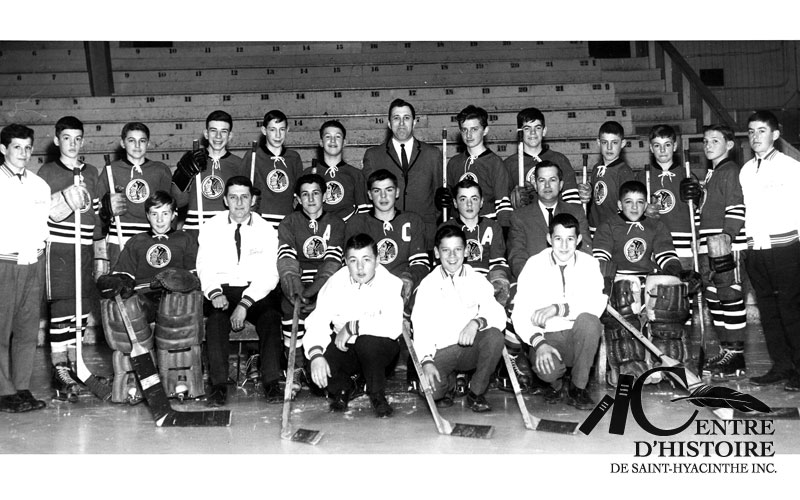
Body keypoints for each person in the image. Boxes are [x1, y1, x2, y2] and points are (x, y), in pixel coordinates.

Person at [97, 191, 202, 403]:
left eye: (165, 213)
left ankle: (178, 376)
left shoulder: (185, 239)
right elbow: (123, 274)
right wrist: (116, 282)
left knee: (175, 306)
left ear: (174, 214)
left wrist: (181, 280)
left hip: (173, 298)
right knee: (129, 308)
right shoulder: (137, 241)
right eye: (155, 214)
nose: (160, 219)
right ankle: (137, 379)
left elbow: (194, 276)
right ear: (147, 215)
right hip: (144, 299)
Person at [592, 180, 697, 384]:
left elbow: (666, 256)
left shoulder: (656, 226)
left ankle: (665, 362)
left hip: (647, 284)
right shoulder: (608, 226)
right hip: (620, 284)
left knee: (670, 295)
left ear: (646, 204)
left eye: (640, 202)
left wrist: (679, 273)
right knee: (624, 294)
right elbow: (602, 259)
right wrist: (604, 284)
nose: (634, 207)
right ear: (619, 204)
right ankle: (629, 364)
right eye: (628, 202)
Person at [196, 176, 280, 406]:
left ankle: (272, 382)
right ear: (225, 200)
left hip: (256, 290)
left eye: (244, 197)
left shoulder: (266, 230)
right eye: (233, 197)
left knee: (271, 317)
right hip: (222, 289)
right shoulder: (211, 227)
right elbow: (204, 266)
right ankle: (218, 386)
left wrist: (245, 303)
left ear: (253, 200)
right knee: (216, 320)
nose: (239, 203)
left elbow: (270, 274)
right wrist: (214, 293)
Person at [37, 116, 104, 402]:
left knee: (81, 308)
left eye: (77, 139)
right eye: (66, 138)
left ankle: (78, 367)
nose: (72, 144)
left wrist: (99, 249)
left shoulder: (92, 171)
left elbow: (96, 215)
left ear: (83, 141)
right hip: (60, 248)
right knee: (63, 308)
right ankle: (60, 368)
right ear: (56, 140)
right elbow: (41, 212)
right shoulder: (47, 171)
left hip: (84, 246)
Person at [511, 213, 605, 409]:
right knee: (548, 371)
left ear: (579, 240)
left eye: (570, 239)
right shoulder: (534, 265)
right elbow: (519, 312)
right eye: (558, 239)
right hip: (547, 337)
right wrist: (539, 343)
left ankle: (578, 388)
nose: (564, 245)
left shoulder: (589, 264)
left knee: (590, 321)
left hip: (577, 337)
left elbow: (596, 303)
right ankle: (555, 385)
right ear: (549, 239)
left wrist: (559, 308)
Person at [304, 233, 403, 417]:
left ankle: (377, 394)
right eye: (353, 260)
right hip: (345, 349)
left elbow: (394, 326)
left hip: (377, 352)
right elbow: (317, 319)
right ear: (345, 261)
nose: (360, 267)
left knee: (367, 343)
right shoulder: (335, 282)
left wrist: (353, 327)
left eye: (366, 259)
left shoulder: (390, 283)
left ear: (377, 260)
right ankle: (344, 388)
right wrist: (316, 355)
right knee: (315, 365)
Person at [411, 225, 505, 412]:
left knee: (495, 336)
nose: (452, 256)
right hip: (441, 351)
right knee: (432, 392)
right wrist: (426, 361)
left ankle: (476, 392)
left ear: (466, 251)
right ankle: (449, 384)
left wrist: (476, 322)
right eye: (446, 250)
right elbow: (421, 327)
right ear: (436, 253)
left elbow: (497, 313)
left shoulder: (476, 279)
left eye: (458, 249)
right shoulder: (428, 285)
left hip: (468, 349)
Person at [738, 110, 800, 390]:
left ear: (775, 134)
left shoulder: (791, 167)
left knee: (791, 311)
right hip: (757, 251)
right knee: (768, 311)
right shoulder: (746, 170)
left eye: (761, 130)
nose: (755, 136)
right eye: (751, 131)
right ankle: (782, 365)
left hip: (786, 248)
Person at [680, 124, 747, 378]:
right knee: (715, 300)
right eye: (706, 141)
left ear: (729, 145)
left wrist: (727, 240)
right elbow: (703, 215)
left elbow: (736, 208)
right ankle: (725, 349)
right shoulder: (711, 175)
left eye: (715, 141)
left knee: (730, 297)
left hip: (724, 247)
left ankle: (736, 354)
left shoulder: (731, 171)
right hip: (708, 247)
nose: (708, 145)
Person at [276, 173, 346, 398]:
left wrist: (315, 293)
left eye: (316, 193)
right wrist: (295, 291)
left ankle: (325, 366)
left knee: (329, 312)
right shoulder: (289, 222)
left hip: (326, 284)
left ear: (324, 196)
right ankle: (296, 368)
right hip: (298, 284)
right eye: (305, 195)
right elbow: (287, 261)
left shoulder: (336, 223)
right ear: (298, 199)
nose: (311, 199)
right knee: (289, 308)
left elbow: (332, 263)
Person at [0, 124, 51, 412]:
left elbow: (45, 225)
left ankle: (21, 387)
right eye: (17, 147)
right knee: (0, 329)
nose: (23, 153)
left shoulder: (39, 184)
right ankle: (3, 391)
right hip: (4, 262)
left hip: (34, 262)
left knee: (27, 330)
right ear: (3, 149)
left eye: (28, 147)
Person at [362, 99, 444, 247]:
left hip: (425, 235)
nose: (401, 123)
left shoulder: (432, 154)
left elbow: (438, 196)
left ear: (414, 122)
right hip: (386, 236)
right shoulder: (373, 155)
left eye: (406, 118)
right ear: (389, 123)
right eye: (396, 118)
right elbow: (369, 199)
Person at [98, 122, 180, 265]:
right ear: (123, 143)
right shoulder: (112, 169)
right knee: (119, 278)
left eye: (142, 141)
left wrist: (168, 236)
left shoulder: (160, 170)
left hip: (151, 236)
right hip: (119, 237)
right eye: (131, 140)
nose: (137, 145)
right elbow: (98, 206)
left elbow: (170, 208)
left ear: (148, 143)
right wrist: (105, 211)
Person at [345, 168, 429, 306]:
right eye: (377, 191)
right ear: (369, 195)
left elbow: (421, 264)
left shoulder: (413, 220)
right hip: (368, 287)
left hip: (402, 286)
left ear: (397, 192)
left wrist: (408, 278)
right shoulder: (357, 223)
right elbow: (350, 264)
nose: (383, 196)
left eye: (389, 190)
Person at [507, 160, 592, 280]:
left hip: (571, 280)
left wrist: (571, 280)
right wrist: (533, 281)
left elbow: (585, 252)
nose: (547, 185)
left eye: (552, 180)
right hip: (534, 281)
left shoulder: (576, 212)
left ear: (561, 185)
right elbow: (517, 257)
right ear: (535, 185)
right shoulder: (520, 217)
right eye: (542, 180)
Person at [172, 110, 244, 236]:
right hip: (194, 231)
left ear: (230, 136)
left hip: (226, 233)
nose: (218, 136)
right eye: (213, 130)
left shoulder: (239, 165)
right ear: (206, 134)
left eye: (223, 131)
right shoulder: (192, 160)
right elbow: (178, 202)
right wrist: (183, 176)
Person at [441, 105, 512, 231]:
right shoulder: (454, 163)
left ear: (485, 130)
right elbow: (451, 203)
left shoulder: (495, 163)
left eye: (474, 129)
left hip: (487, 229)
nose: (468, 135)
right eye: (464, 130)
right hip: (459, 231)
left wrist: (503, 234)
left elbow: (503, 206)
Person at [503, 107, 581, 208]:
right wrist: (512, 202)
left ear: (544, 131)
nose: (533, 132)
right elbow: (503, 206)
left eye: (538, 128)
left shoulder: (559, 160)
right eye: (527, 128)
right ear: (519, 133)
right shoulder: (509, 164)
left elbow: (573, 203)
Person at [639, 124, 694, 262]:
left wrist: (697, 237)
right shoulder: (642, 177)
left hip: (684, 246)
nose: (662, 150)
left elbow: (697, 213)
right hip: (654, 244)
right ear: (651, 148)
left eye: (667, 145)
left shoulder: (687, 176)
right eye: (657, 145)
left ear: (675, 146)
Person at [246, 109, 305, 230]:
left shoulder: (293, 158)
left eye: (281, 129)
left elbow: (299, 193)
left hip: (287, 222)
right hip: (260, 223)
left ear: (287, 130)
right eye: (272, 130)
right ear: (264, 131)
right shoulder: (253, 156)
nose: (278, 135)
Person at [580, 121, 635, 238]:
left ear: (623, 143)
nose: (609, 147)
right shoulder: (596, 168)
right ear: (598, 143)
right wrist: (587, 191)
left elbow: (628, 206)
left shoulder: (624, 172)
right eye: (605, 142)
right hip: (594, 229)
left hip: (615, 231)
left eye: (614, 142)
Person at [305, 120, 366, 222]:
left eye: (337, 137)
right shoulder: (308, 174)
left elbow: (363, 213)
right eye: (328, 136)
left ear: (344, 143)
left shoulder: (356, 175)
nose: (332, 141)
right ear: (321, 142)